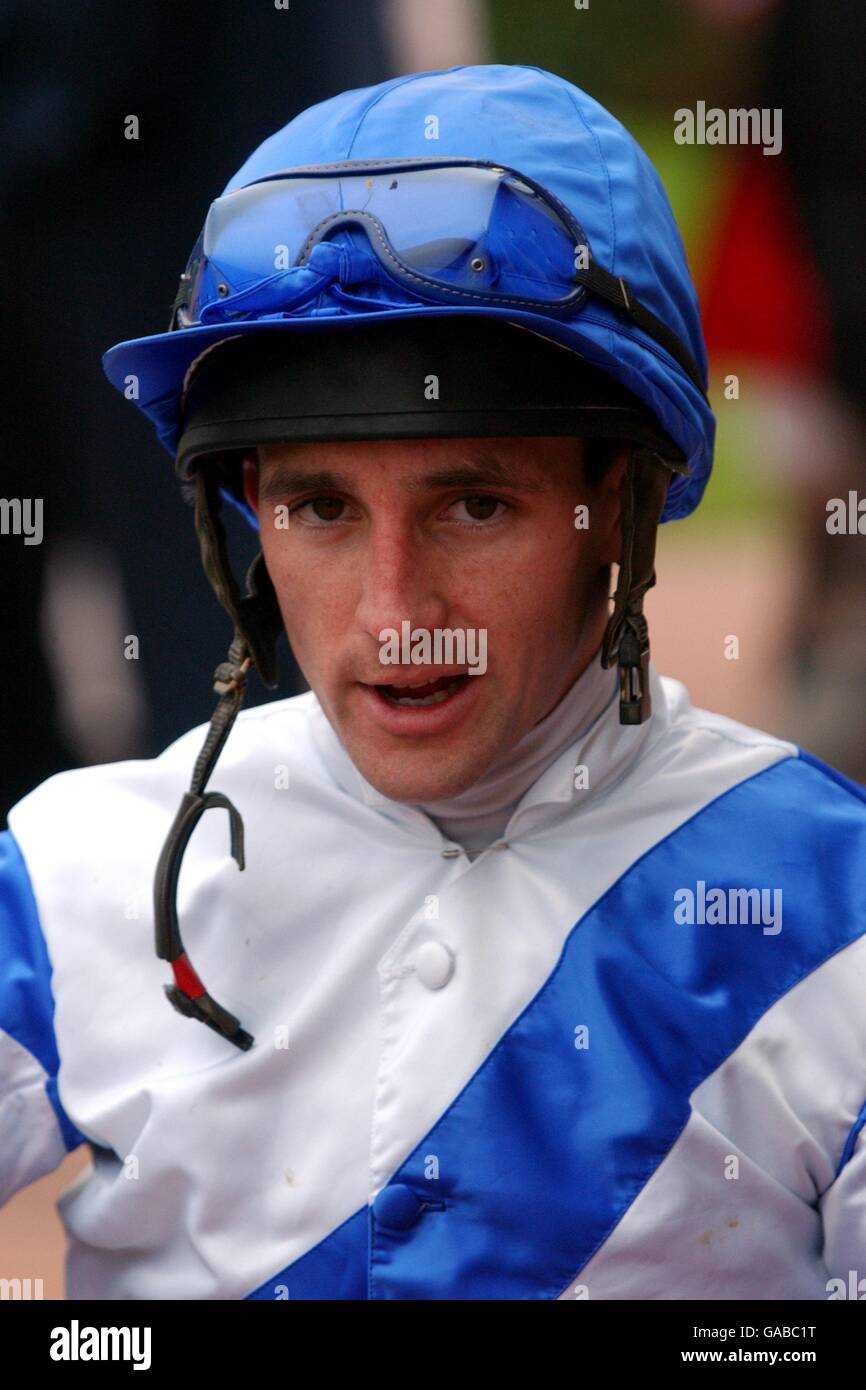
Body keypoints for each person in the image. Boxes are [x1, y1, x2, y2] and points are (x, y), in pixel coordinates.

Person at [2, 64, 864, 1302]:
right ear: (243, 516)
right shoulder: (68, 876)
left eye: (474, 505)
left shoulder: (834, 913)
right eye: (318, 509)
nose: (394, 613)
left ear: (613, 507)